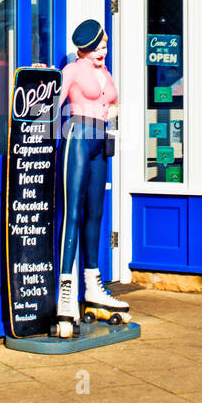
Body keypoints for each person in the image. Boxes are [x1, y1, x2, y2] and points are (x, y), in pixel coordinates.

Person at [55, 19, 127, 336]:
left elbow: (113, 102)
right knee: (73, 212)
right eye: (98, 47)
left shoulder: (105, 72)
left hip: (101, 139)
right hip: (78, 136)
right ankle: (66, 295)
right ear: (84, 48)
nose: (102, 51)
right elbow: (49, 106)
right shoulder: (72, 70)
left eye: (105, 46)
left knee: (95, 213)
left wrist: (113, 112)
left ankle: (92, 285)